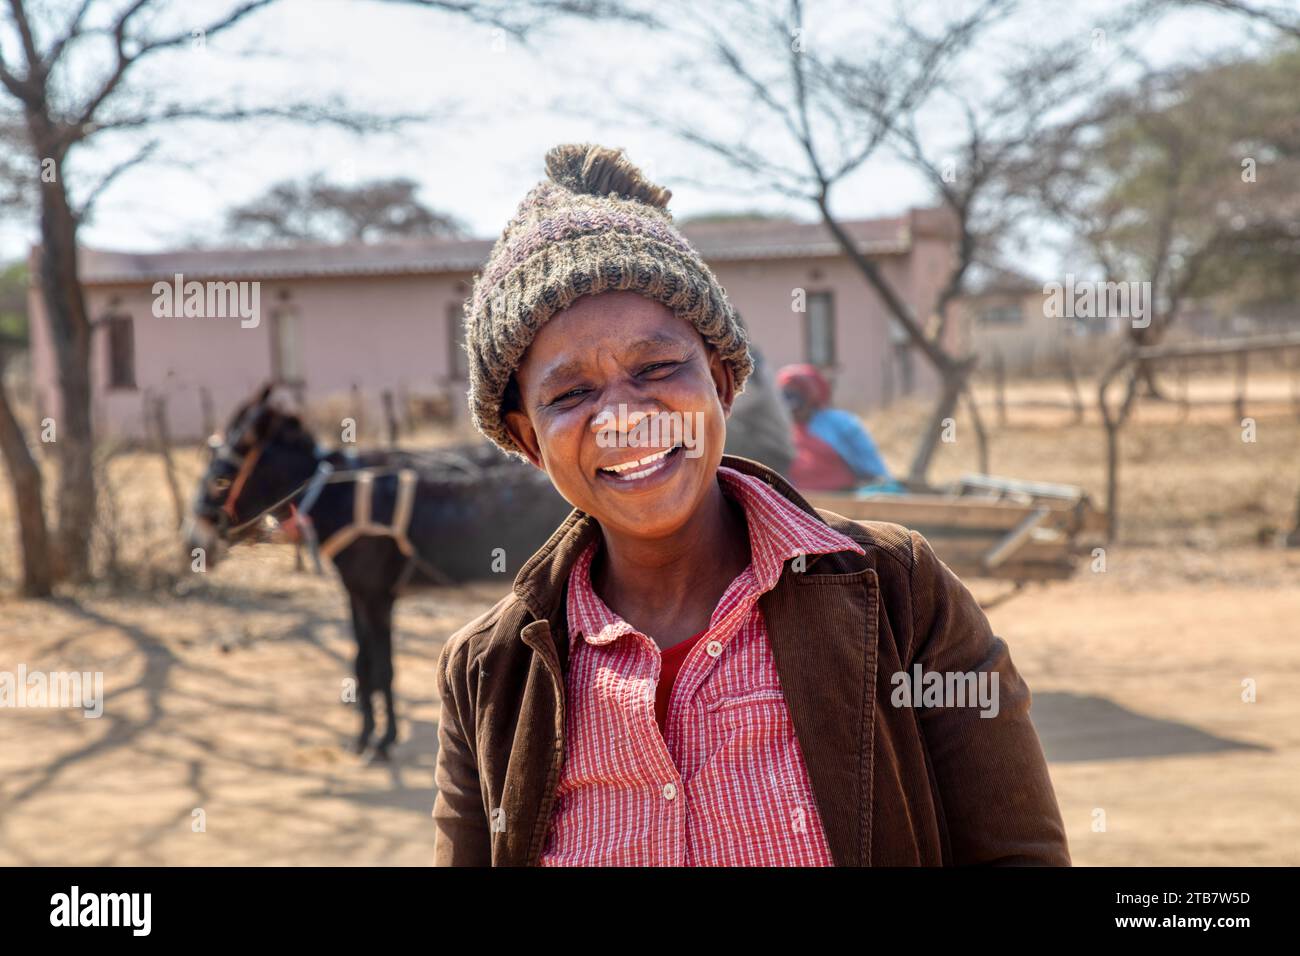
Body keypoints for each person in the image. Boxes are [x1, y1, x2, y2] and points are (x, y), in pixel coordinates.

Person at [432, 142, 1069, 866]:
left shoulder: (899, 596)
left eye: (659, 367)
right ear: (526, 438)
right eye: (571, 393)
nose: (623, 417)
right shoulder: (489, 674)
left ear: (725, 379)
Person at [777, 363, 898, 493]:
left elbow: (875, 471)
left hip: (845, 500)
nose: (793, 408)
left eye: (797, 396)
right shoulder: (781, 429)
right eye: (786, 396)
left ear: (812, 396)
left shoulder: (840, 424)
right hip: (795, 503)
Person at [721, 321, 795, 478]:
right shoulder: (749, 359)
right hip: (761, 444)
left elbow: (733, 405)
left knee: (709, 425)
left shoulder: (748, 366)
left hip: (771, 450)